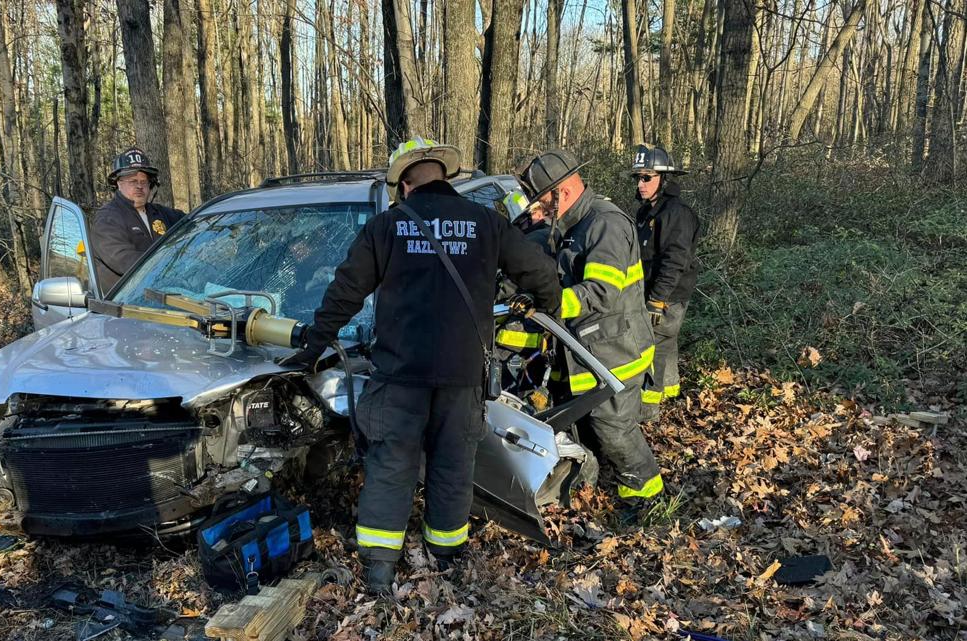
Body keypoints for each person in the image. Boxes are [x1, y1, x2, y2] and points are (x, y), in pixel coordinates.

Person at [280, 137, 562, 594]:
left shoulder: (386, 228)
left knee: (391, 466)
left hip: (399, 376)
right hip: (463, 378)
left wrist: (311, 349)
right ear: (444, 176)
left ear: (405, 184)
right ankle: (446, 561)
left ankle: (378, 573)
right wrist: (543, 308)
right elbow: (543, 276)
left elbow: (344, 294)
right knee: (453, 466)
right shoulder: (488, 223)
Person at [516, 149, 664, 519]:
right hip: (587, 351)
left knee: (612, 428)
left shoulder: (605, 225)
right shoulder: (570, 225)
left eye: (542, 203)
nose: (540, 212)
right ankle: (589, 487)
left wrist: (548, 304)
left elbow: (600, 291)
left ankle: (645, 496)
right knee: (587, 424)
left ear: (560, 193)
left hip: (617, 352)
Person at [630, 144, 700, 422]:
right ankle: (672, 393)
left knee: (653, 347)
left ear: (664, 179)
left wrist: (657, 301)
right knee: (667, 342)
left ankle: (648, 412)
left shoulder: (676, 214)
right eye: (638, 177)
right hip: (654, 290)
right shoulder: (647, 211)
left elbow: (674, 261)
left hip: (669, 295)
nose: (641, 183)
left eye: (647, 177)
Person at [91, 147, 186, 294]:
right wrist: (169, 266)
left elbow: (194, 224)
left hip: (166, 297)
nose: (139, 186)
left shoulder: (161, 213)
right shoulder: (108, 218)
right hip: (124, 306)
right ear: (119, 183)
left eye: (144, 181)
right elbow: (124, 260)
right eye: (133, 181)